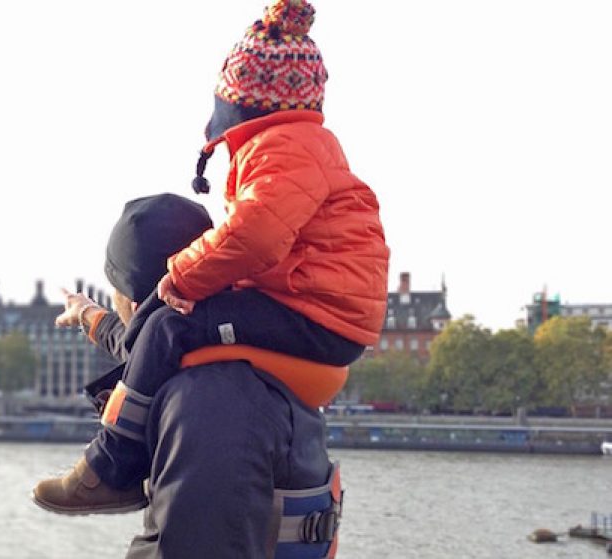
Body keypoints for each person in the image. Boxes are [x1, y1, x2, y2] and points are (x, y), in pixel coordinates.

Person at [33, 0, 389, 517]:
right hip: (320, 308)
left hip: (316, 314)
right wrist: (92, 316)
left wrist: (180, 275)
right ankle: (113, 465)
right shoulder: (300, 146)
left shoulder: (283, 149)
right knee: (168, 326)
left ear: (242, 102)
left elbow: (255, 236)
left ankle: (110, 469)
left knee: (170, 325)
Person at [34, 193, 345, 557]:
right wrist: (88, 315)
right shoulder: (228, 354)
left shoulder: (209, 404)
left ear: (137, 306)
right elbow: (141, 346)